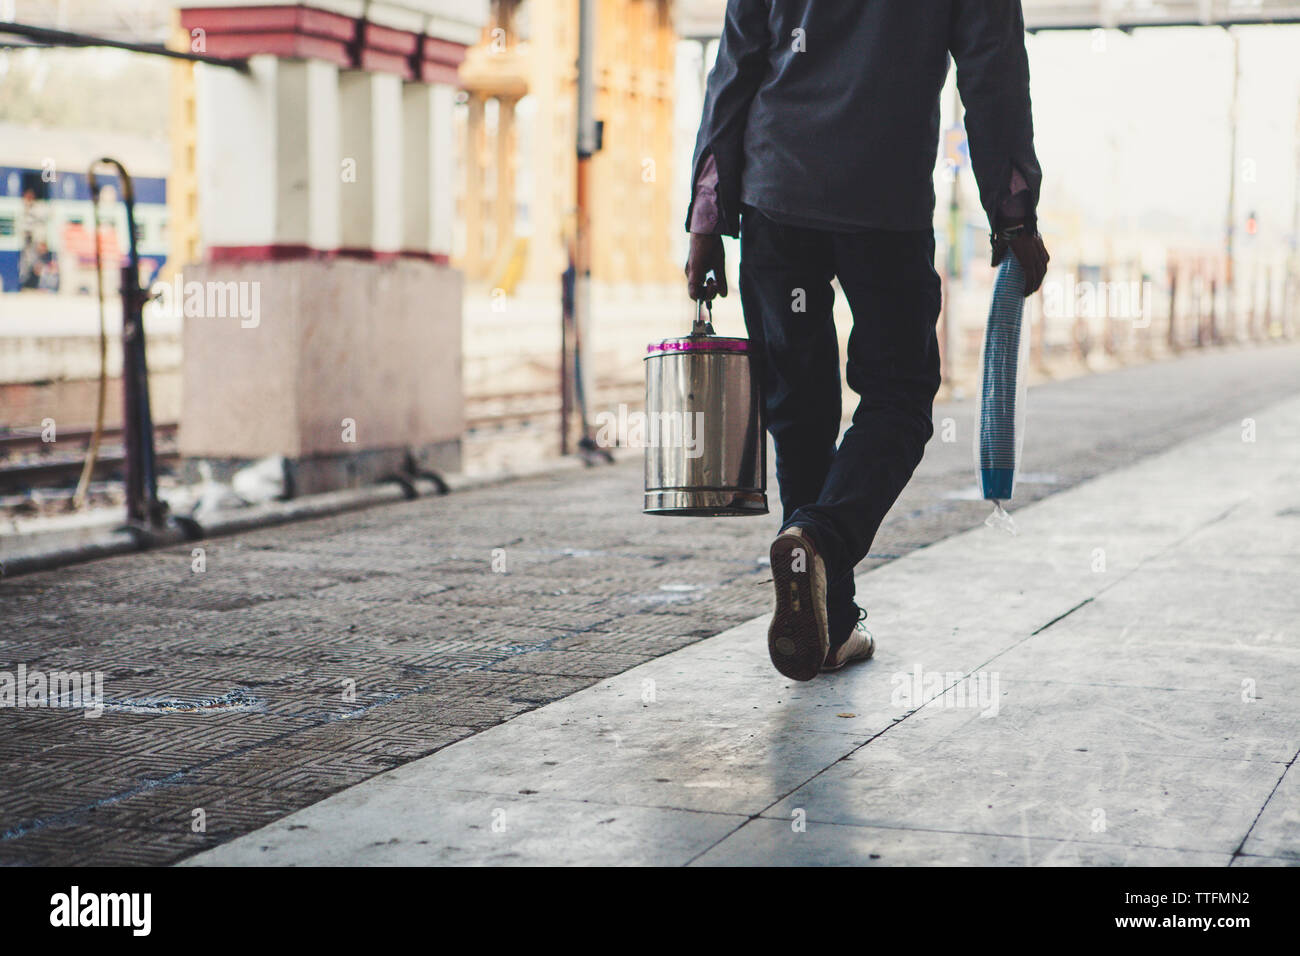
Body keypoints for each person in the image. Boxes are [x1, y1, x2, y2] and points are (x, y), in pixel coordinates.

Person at [684, 1, 1050, 681]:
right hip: (880, 204)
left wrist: (708, 218)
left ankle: (831, 618)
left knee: (799, 412)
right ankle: (821, 546)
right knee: (899, 395)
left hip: (775, 193)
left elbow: (736, 63)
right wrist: (1014, 214)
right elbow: (991, 73)